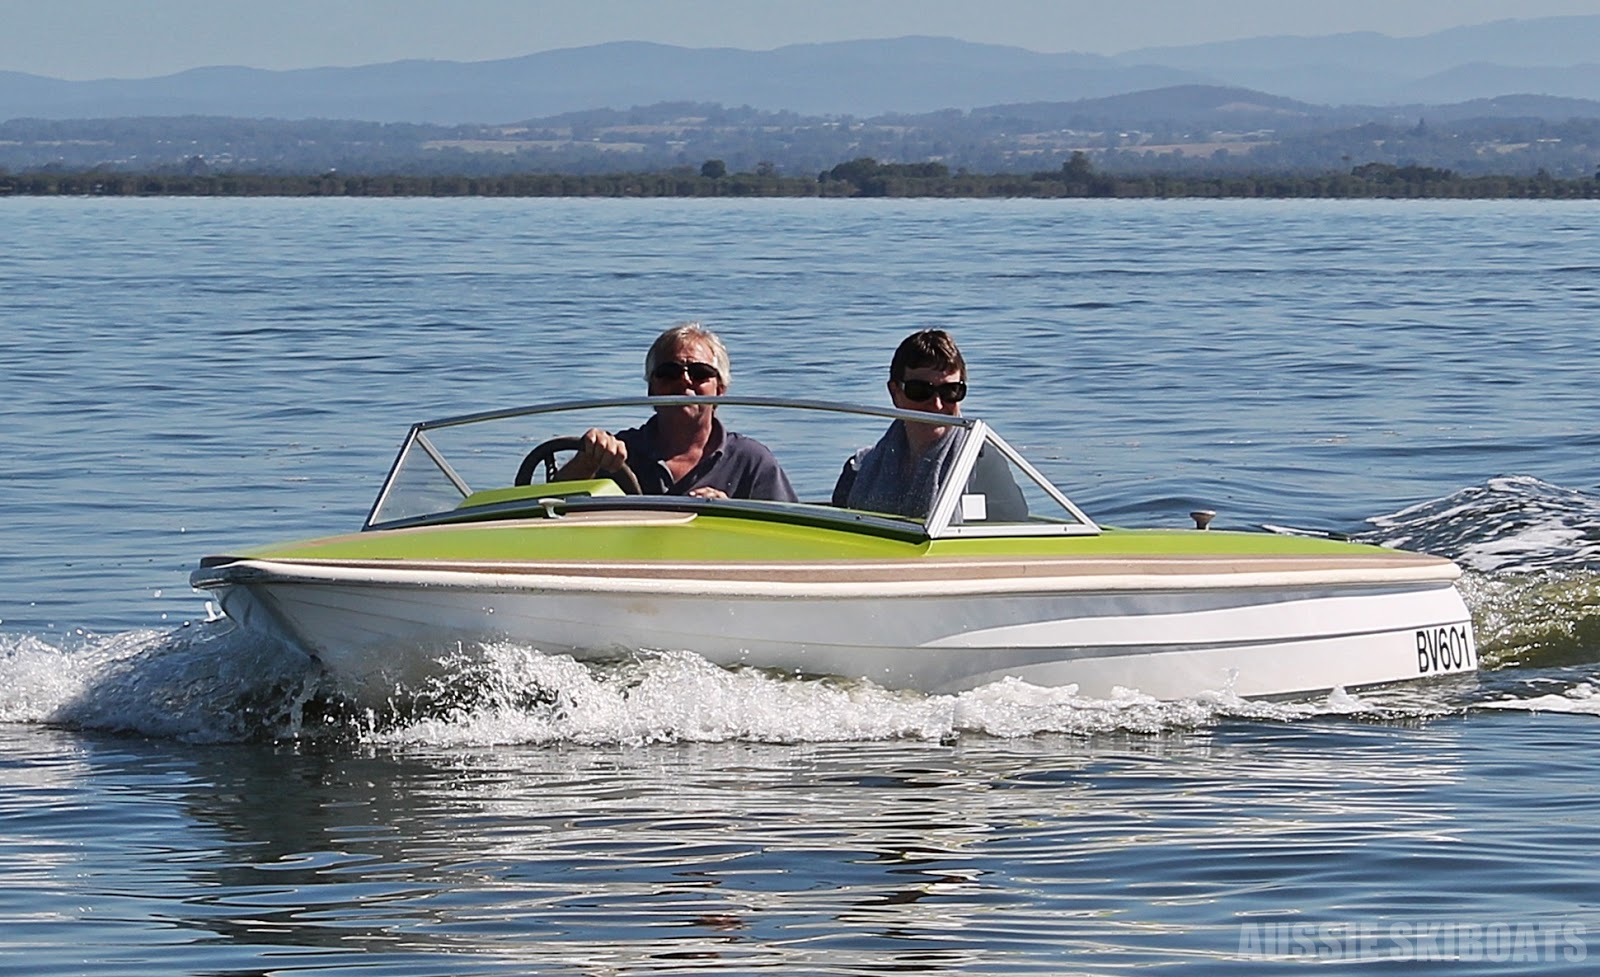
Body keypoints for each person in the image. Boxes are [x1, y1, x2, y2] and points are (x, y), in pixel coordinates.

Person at [554, 322, 798, 502]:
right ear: (651, 388)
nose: (684, 381)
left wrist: (731, 514)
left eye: (700, 372)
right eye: (669, 372)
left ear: (720, 390)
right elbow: (551, 509)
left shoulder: (751, 461)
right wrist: (586, 460)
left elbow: (792, 536)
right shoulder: (618, 452)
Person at [832, 329, 1026, 520]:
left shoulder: (980, 464)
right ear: (895, 393)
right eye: (920, 390)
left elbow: (1015, 534)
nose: (937, 404)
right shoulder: (859, 470)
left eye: (950, 391)